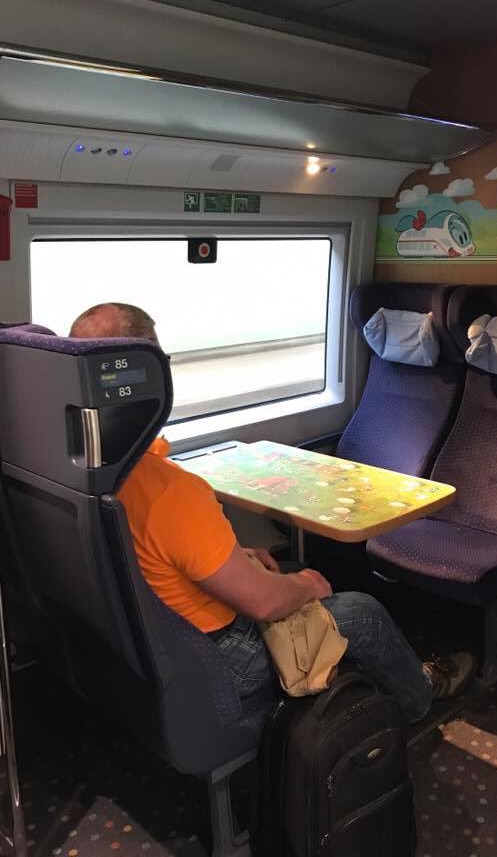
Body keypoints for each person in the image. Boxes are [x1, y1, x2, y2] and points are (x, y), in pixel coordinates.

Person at [69, 301, 475, 722]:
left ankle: (353, 680)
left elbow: (159, 556)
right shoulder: (171, 490)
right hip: (220, 656)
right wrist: (305, 585)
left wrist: (234, 555)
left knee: (281, 571)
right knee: (361, 611)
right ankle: (420, 696)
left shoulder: (85, 472)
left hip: (150, 641)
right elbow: (262, 603)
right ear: (157, 375)